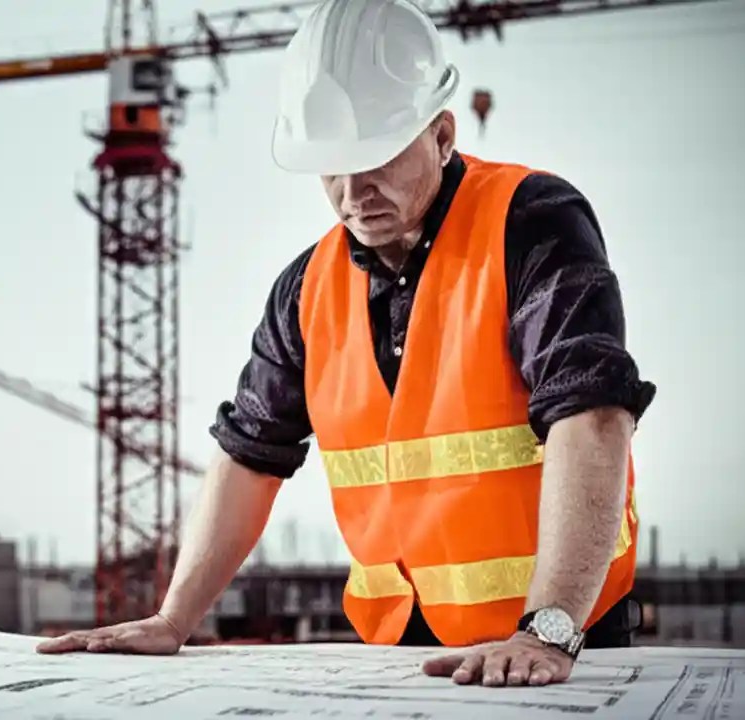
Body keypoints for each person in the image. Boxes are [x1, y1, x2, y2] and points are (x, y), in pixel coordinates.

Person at [37, 0, 655, 688]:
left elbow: (593, 417)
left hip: (561, 642)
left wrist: (550, 630)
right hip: (399, 652)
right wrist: (173, 618)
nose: (353, 194)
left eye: (376, 160)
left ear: (442, 134)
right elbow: (248, 456)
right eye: (331, 169)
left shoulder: (531, 223)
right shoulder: (307, 288)